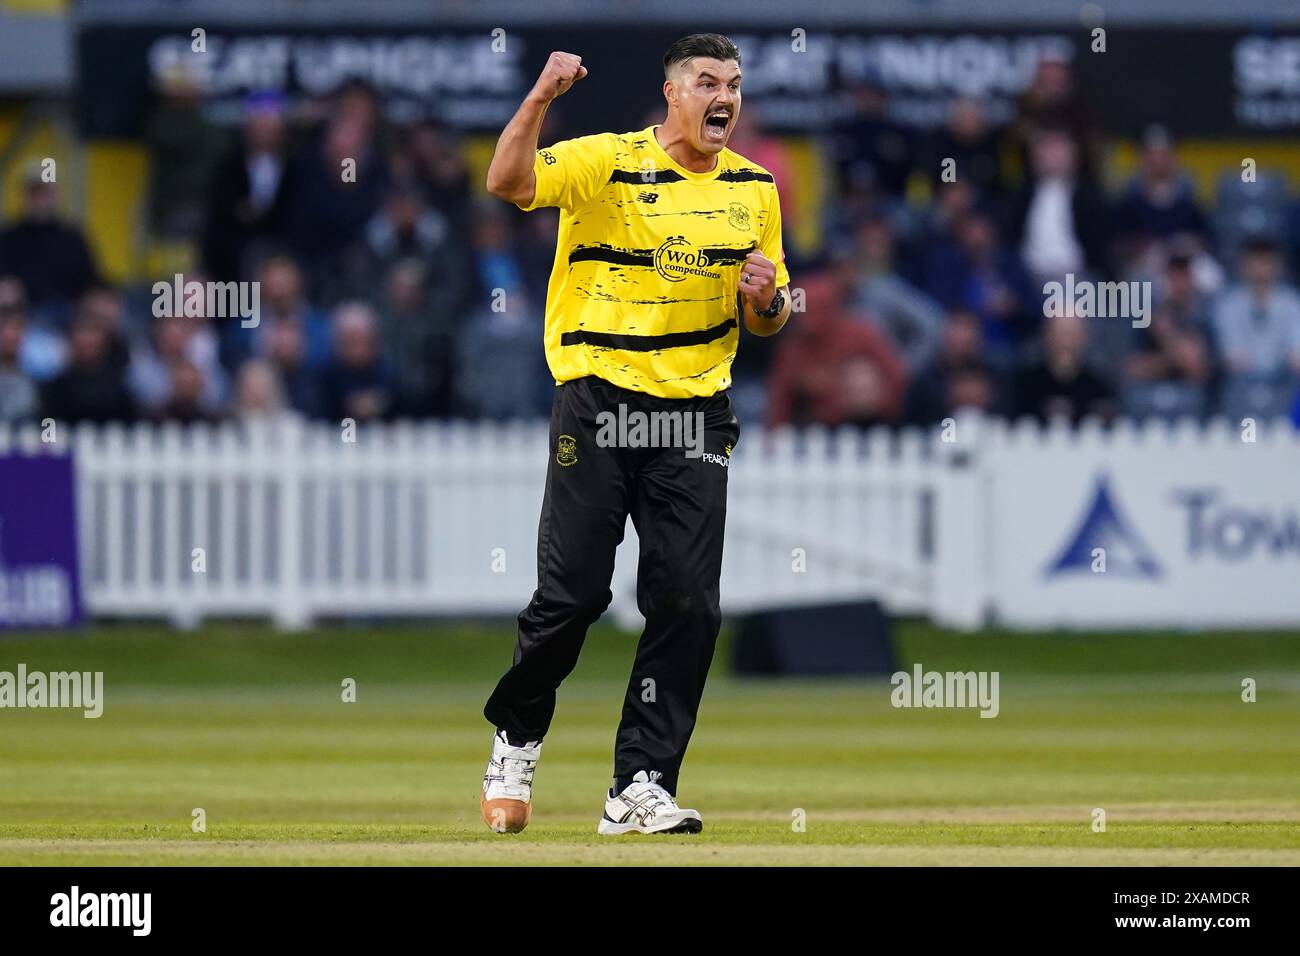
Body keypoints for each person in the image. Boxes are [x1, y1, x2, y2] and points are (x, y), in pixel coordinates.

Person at [480, 35, 791, 836]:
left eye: (735, 84)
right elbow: (507, 180)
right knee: (574, 596)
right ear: (673, 94)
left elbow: (768, 313)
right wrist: (542, 96)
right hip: (600, 403)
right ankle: (516, 738)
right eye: (707, 82)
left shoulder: (755, 189)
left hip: (693, 413)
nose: (725, 97)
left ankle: (640, 785)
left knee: (688, 601)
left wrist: (766, 300)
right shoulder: (605, 161)